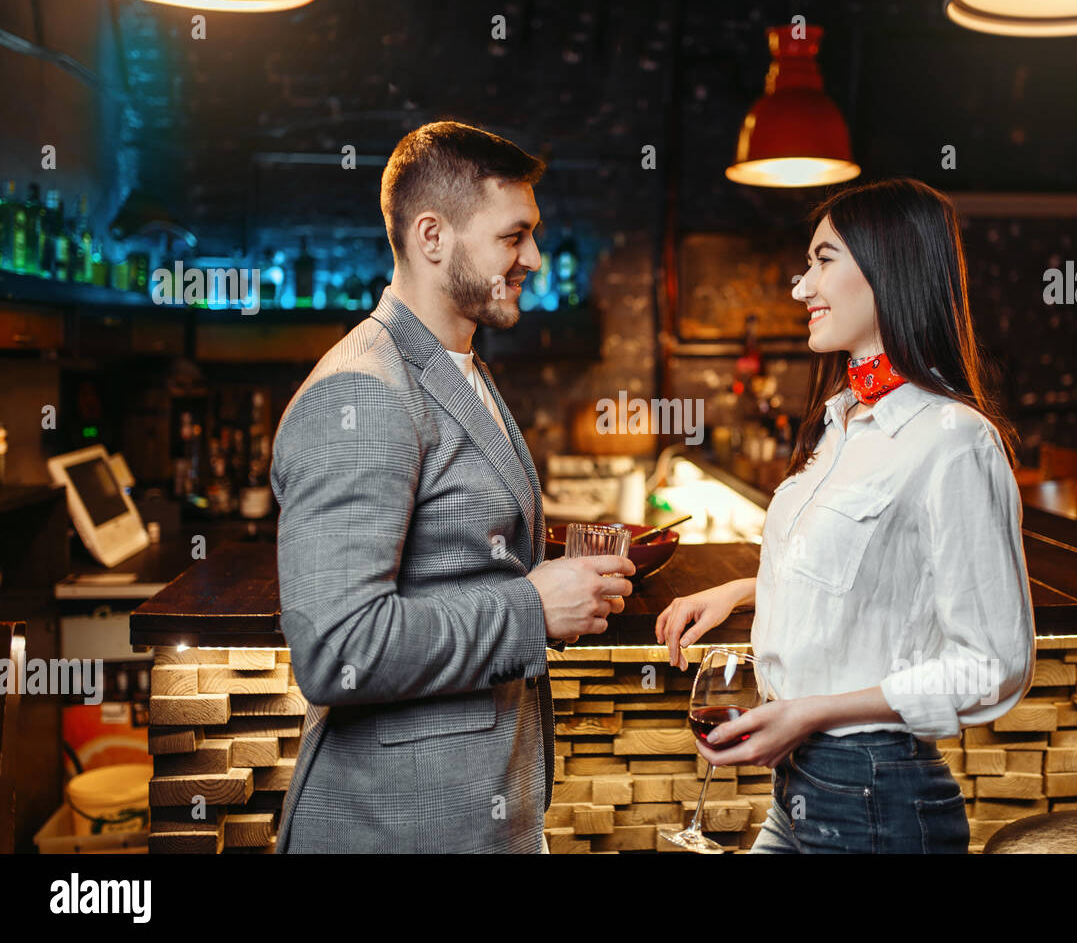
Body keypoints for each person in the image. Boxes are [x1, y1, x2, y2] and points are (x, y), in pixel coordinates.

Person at [271, 120, 633, 853]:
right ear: (432, 236)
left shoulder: (457, 363)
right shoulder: (364, 392)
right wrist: (532, 606)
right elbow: (337, 647)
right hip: (398, 825)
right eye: (513, 235)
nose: (533, 255)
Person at [656, 178, 1036, 853]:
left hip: (879, 797)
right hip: (803, 788)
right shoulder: (841, 421)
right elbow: (877, 575)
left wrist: (810, 711)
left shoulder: (953, 439)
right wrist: (748, 589)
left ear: (889, 268)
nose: (801, 288)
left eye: (822, 261)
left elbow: (992, 661)